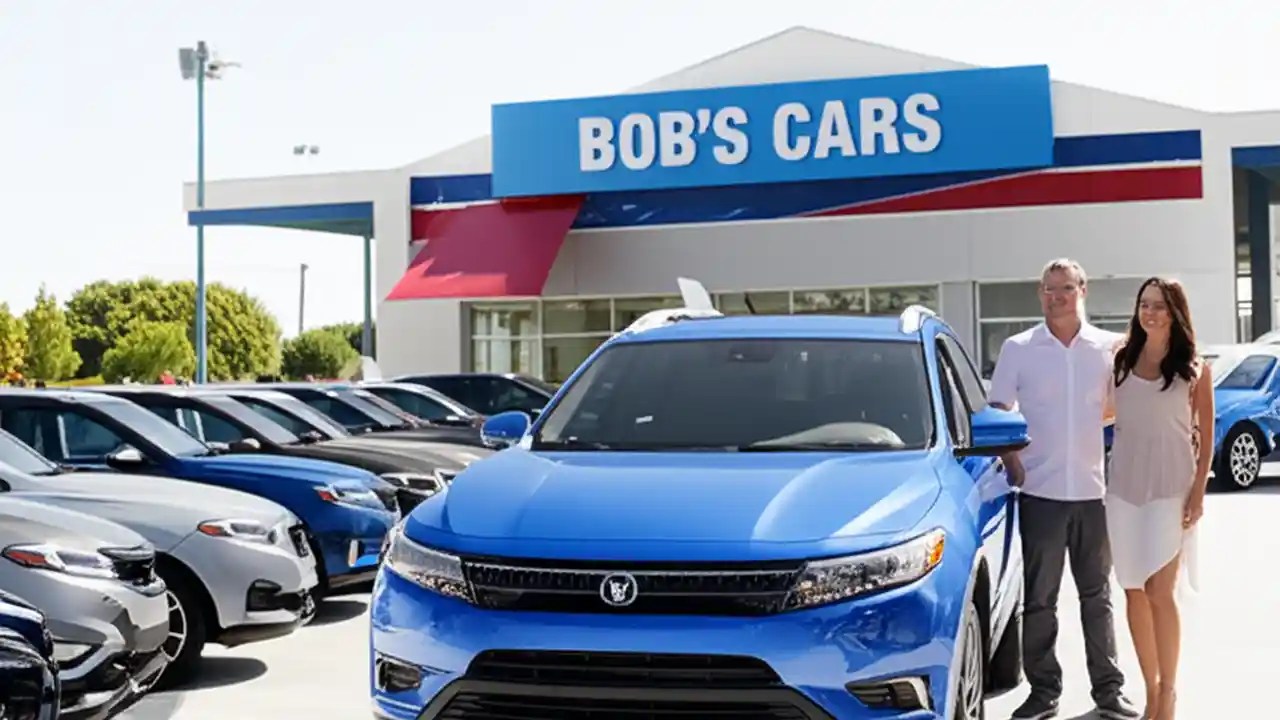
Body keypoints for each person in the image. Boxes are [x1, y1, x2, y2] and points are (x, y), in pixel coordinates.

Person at [987, 258, 1139, 720]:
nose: (1057, 297)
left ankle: (1108, 691)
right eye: (1050, 290)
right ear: (1040, 293)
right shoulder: (1019, 348)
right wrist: (1012, 459)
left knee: (1098, 598)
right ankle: (1043, 692)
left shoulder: (1109, 349)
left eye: (1066, 289)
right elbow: (998, 410)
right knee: (1040, 601)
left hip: (1093, 495)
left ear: (1082, 290)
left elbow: (1121, 406)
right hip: (1041, 495)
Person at [1104, 277, 1210, 720]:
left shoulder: (1193, 368)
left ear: (1176, 313)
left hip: (1172, 488)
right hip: (1124, 489)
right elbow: (1102, 413)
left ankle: (1168, 692)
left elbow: (1208, 436)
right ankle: (1149, 690)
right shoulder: (1120, 360)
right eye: (1144, 304)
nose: (1150, 313)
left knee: (1159, 590)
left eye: (1160, 306)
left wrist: (1199, 492)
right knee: (1132, 590)